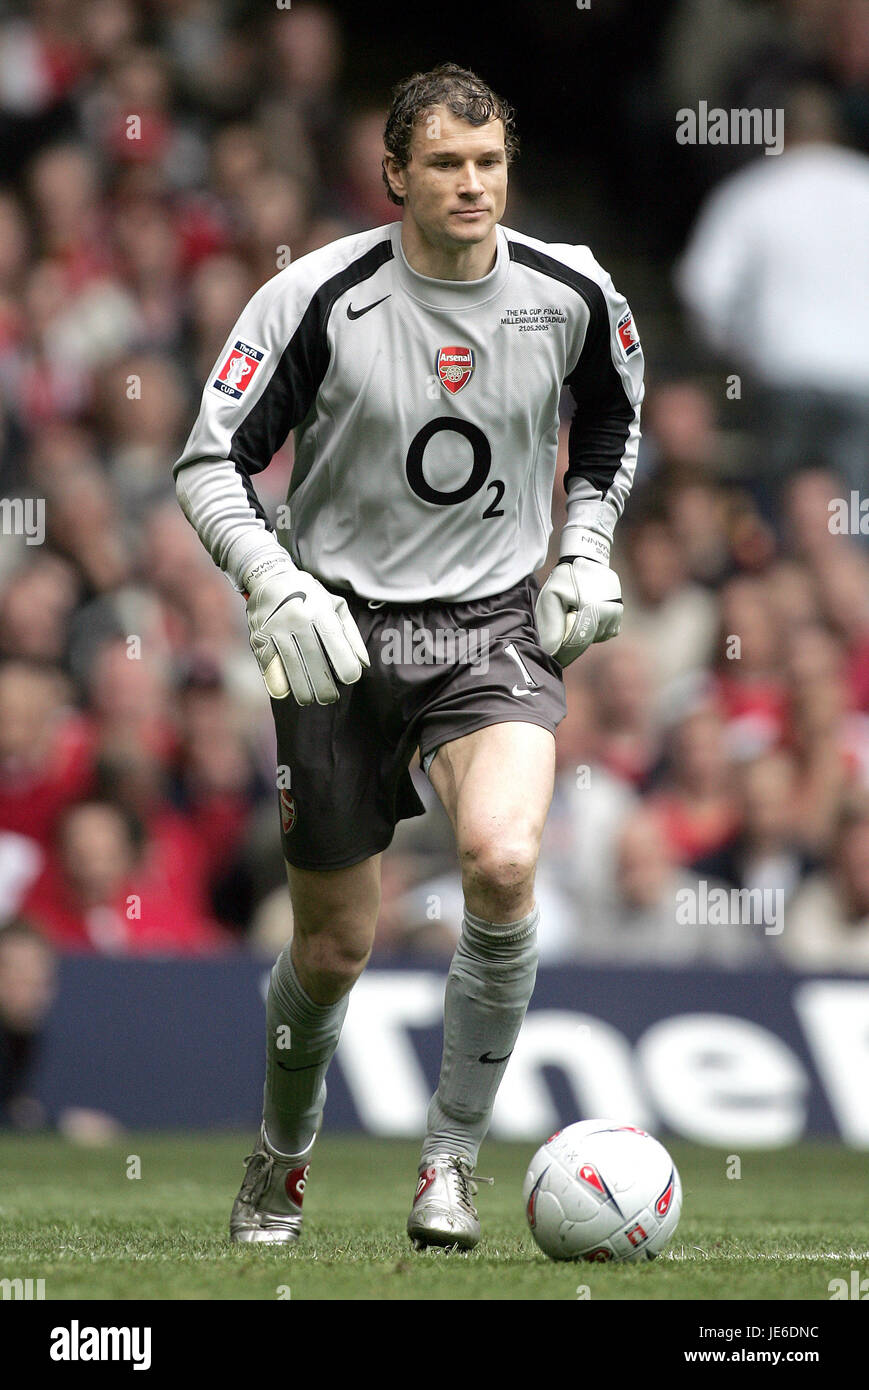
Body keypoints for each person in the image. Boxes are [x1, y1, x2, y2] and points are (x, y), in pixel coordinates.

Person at [174, 64, 642, 1250]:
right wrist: (272, 580)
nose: (472, 183)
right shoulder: (314, 298)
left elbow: (608, 423)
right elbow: (210, 462)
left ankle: (449, 1163)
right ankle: (281, 1158)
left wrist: (582, 546)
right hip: (337, 637)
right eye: (444, 162)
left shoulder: (571, 291)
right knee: (333, 949)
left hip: (490, 623)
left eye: (487, 162)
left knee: (501, 855)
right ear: (393, 174)